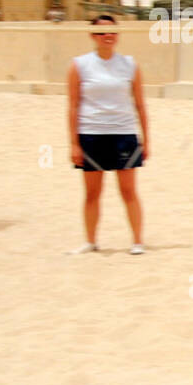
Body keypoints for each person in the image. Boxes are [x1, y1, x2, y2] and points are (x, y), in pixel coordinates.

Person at [67, 15, 148, 255]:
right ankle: (91, 241)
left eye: (113, 31)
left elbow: (140, 105)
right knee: (92, 193)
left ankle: (137, 241)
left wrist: (146, 139)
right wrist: (74, 144)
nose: (108, 36)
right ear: (92, 35)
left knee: (128, 191)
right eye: (102, 32)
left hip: (124, 133)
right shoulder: (79, 65)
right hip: (91, 134)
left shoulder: (130, 64)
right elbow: (73, 106)